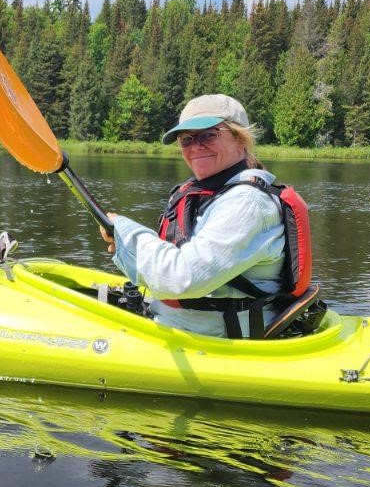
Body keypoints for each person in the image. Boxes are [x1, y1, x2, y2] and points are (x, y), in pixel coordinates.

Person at [100, 94, 285, 338]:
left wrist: (127, 233)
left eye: (209, 135)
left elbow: (182, 278)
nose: (196, 146)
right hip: (183, 323)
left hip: (216, 339)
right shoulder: (216, 192)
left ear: (241, 139)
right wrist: (124, 246)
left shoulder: (246, 203)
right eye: (186, 139)